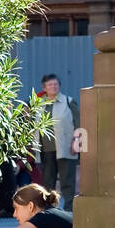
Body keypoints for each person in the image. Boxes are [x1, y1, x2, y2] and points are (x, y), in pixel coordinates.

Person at [34, 75, 79, 207]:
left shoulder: (68, 101)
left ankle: (69, 209)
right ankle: (50, 209)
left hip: (65, 149)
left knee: (67, 182)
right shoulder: (38, 103)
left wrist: (77, 143)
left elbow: (79, 123)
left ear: (59, 86)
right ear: (44, 88)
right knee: (48, 183)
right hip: (45, 150)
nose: (53, 87)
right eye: (50, 85)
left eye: (55, 84)